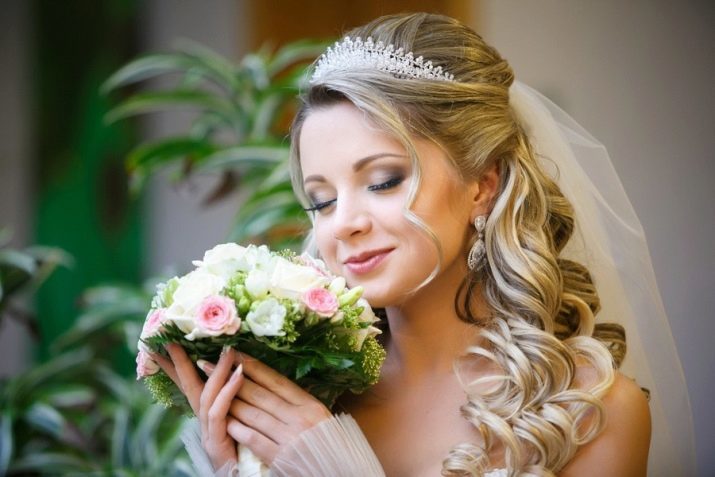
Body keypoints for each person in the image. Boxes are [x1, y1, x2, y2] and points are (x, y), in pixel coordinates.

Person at [153, 12, 695, 476]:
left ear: (483, 185)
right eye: (321, 201)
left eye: (385, 180)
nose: (343, 224)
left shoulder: (587, 410)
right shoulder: (300, 397)